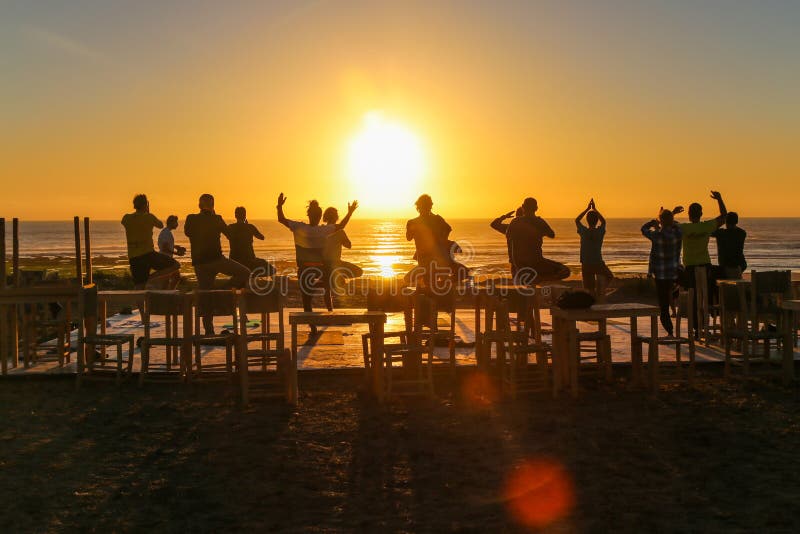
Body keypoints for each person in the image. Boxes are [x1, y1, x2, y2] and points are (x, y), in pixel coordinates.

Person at [277, 193, 357, 322]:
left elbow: (282, 219)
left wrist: (279, 206)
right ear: (320, 217)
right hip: (321, 270)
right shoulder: (323, 230)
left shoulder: (299, 227)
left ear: (308, 215)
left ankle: (312, 325)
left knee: (307, 299)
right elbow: (341, 226)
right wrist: (350, 212)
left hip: (304, 271)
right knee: (333, 278)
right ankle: (331, 283)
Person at [184, 194, 250, 335]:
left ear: (199, 206)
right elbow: (230, 235)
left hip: (200, 264)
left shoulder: (191, 219)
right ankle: (222, 293)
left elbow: (188, 232)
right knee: (245, 273)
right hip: (216, 260)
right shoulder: (216, 219)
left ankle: (209, 332)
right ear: (213, 206)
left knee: (206, 296)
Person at [405, 194, 468, 289]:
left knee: (415, 280)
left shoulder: (416, 221)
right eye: (427, 205)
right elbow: (448, 229)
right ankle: (441, 283)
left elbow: (408, 237)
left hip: (434, 259)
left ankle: (441, 283)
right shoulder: (434, 220)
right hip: (432, 260)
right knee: (463, 272)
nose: (427, 208)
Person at [121, 194, 180, 291]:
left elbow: (123, 222)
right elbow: (160, 225)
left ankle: (141, 306)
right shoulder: (149, 217)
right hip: (148, 254)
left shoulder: (127, 218)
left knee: (139, 286)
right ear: (146, 205)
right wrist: (148, 213)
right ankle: (151, 279)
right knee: (175, 265)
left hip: (134, 257)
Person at [506, 197, 570, 285]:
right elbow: (551, 234)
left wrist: (516, 262)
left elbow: (509, 238)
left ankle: (536, 278)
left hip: (520, 262)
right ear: (536, 208)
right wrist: (538, 232)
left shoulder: (515, 222)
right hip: (536, 261)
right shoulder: (539, 221)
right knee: (565, 271)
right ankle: (540, 279)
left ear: (523, 207)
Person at [642, 208, 683, 337]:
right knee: (674, 297)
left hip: (660, 276)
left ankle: (670, 331)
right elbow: (676, 225)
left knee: (663, 305)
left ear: (661, 221)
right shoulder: (678, 233)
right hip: (675, 275)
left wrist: (654, 223)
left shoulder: (656, 235)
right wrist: (672, 216)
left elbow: (643, 229)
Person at [322, 207, 363, 310]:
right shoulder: (339, 231)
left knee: (327, 289)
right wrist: (342, 241)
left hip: (324, 265)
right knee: (359, 271)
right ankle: (338, 279)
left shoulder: (321, 229)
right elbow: (349, 245)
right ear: (335, 217)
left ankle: (330, 310)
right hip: (335, 264)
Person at [575, 199, 614, 300]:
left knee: (589, 288)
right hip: (597, 262)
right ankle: (600, 291)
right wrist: (595, 209)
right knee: (609, 276)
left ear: (587, 220)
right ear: (597, 220)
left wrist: (587, 209)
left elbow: (577, 220)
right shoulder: (599, 232)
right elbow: (604, 221)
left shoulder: (583, 231)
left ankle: (595, 296)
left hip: (586, 262)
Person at [226, 206, 276, 277]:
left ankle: (245, 276)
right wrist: (248, 227)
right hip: (249, 260)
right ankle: (252, 276)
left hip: (234, 260)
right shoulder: (250, 227)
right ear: (245, 216)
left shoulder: (230, 227)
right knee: (272, 270)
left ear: (235, 216)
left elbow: (228, 236)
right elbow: (261, 237)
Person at [711, 212, 747, 279]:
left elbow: (710, 231)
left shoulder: (721, 233)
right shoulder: (742, 233)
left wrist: (719, 223)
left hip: (728, 265)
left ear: (726, 222)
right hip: (740, 263)